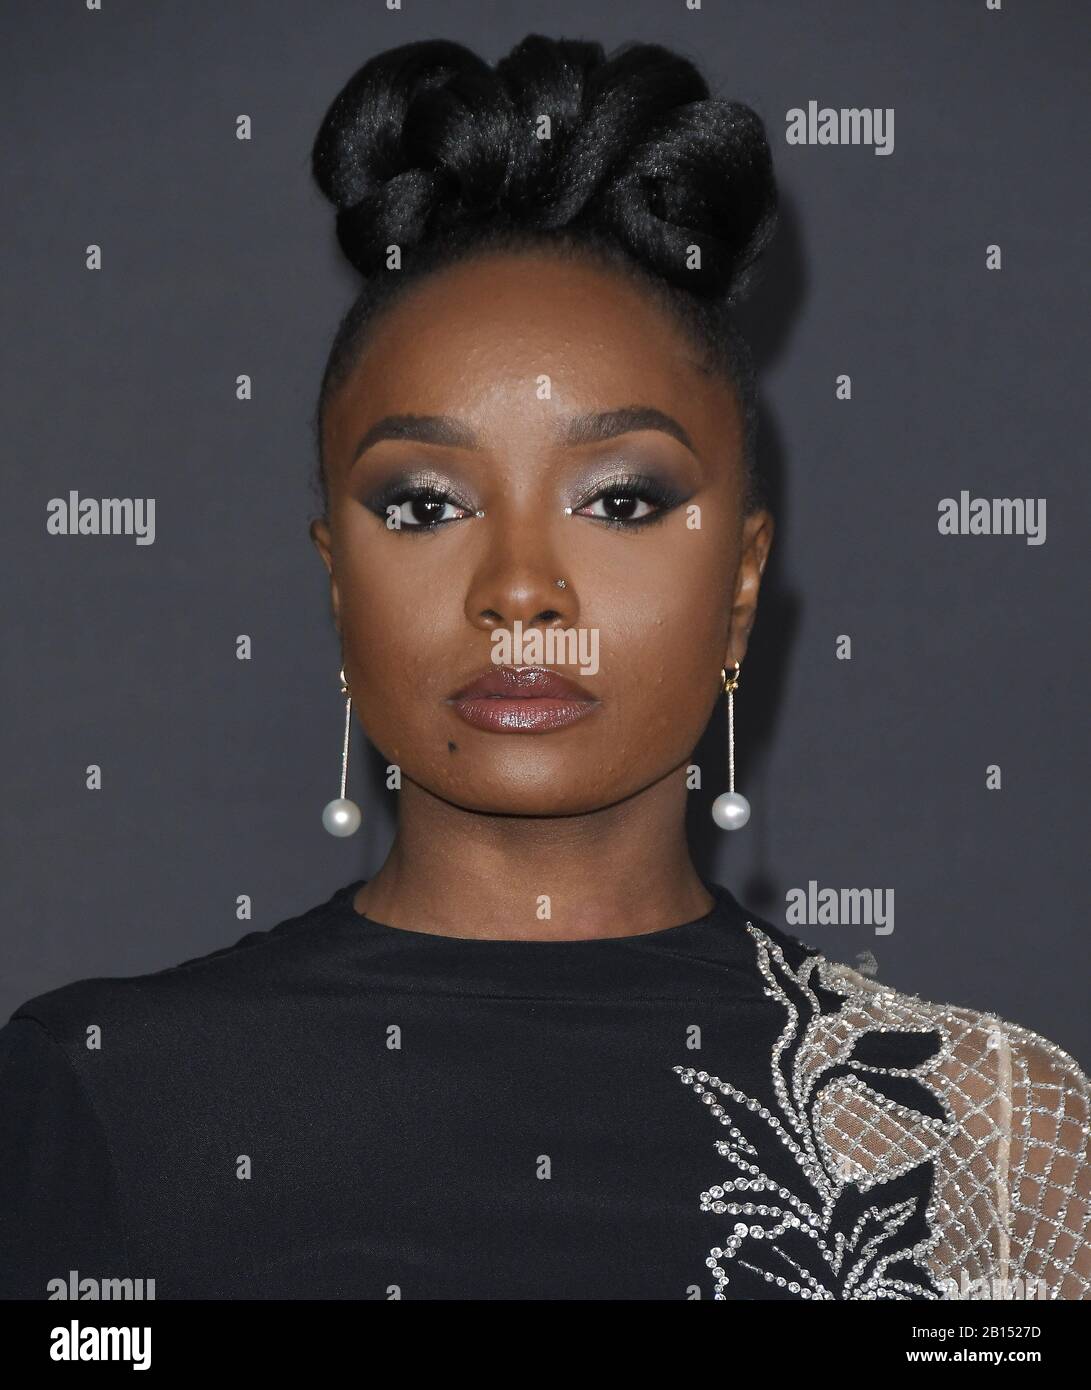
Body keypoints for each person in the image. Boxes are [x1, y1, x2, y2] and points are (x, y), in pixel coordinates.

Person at [1, 34, 1088, 1302]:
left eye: (621, 499)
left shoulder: (987, 1132)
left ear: (739, 583)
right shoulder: (100, 1094)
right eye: (421, 504)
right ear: (337, 577)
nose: (519, 590)